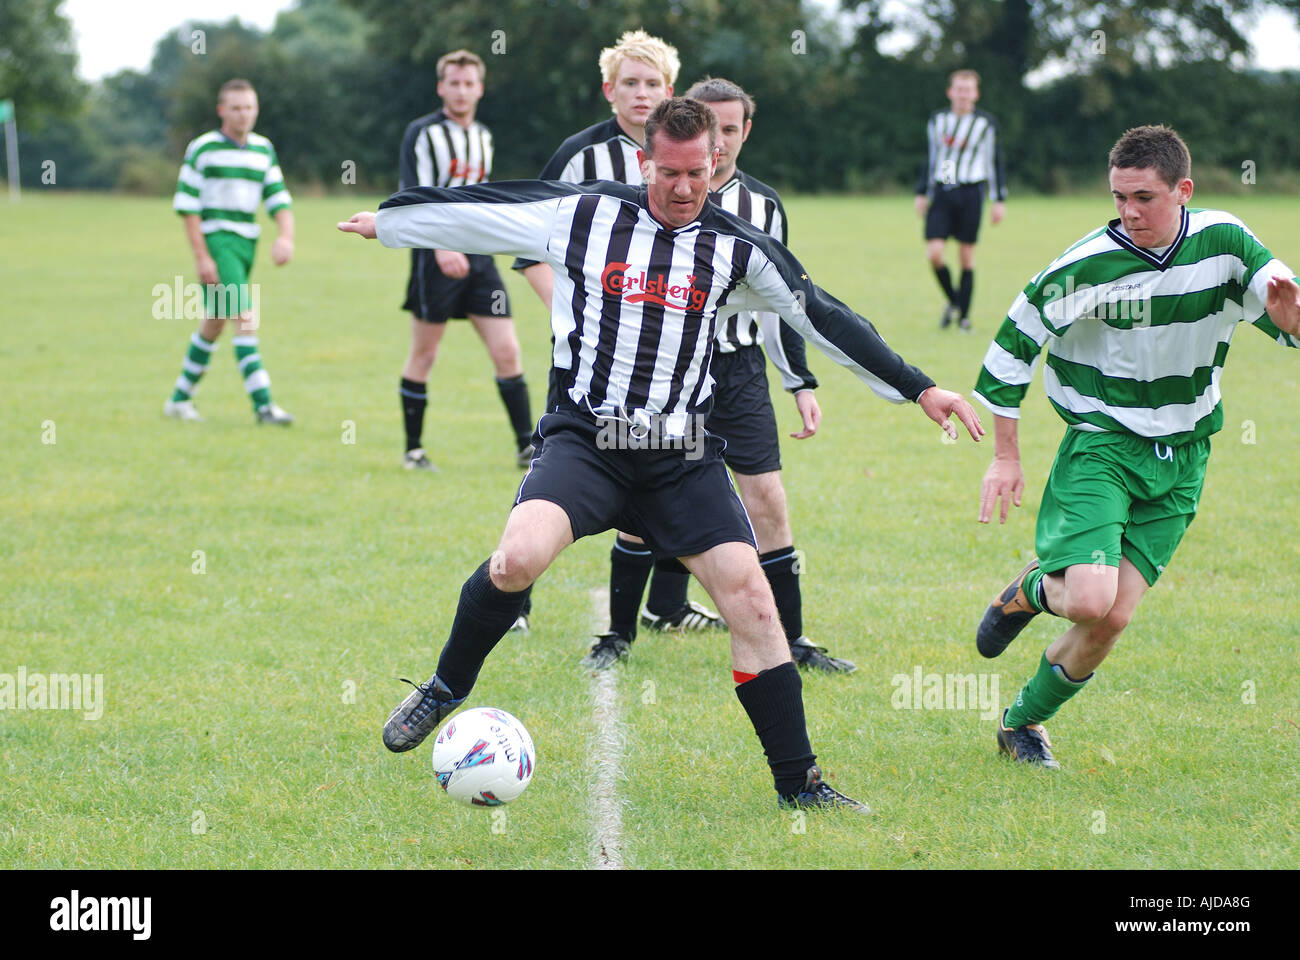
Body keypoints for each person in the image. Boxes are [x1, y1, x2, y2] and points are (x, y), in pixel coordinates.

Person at [340, 98, 984, 811]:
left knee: (753, 607)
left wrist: (920, 388)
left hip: (681, 457)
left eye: (697, 173)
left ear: (715, 162)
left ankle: (800, 786)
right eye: (669, 172)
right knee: (515, 560)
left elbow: (822, 314)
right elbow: (488, 207)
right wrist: (393, 223)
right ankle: (445, 688)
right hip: (587, 442)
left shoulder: (739, 245)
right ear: (645, 161)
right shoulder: (585, 215)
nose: (683, 188)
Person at [973, 124, 1300, 769]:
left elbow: (1281, 305)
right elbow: (1008, 354)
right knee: (1090, 598)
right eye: (1119, 196)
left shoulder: (1224, 244)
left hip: (1183, 459)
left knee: (1112, 619)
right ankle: (1038, 588)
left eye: (1144, 197)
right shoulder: (1083, 265)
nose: (1129, 211)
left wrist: (1293, 319)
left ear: (1184, 189)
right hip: (1103, 446)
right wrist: (1007, 457)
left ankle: (1022, 726)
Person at [580, 76, 854, 675]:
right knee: (644, 500)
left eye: (732, 129)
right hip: (668, 368)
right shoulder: (653, 195)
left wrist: (799, 381)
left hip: (738, 371)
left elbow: (787, 304)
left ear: (744, 132)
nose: (722, 141)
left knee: (768, 502)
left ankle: (795, 640)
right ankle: (619, 633)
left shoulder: (765, 206)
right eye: (713, 127)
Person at [512, 30, 731, 638]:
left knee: (676, 461)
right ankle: (515, 603)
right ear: (609, 90)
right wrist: (575, 310)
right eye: (629, 83)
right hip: (584, 361)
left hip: (667, 361)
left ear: (671, 91)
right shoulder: (580, 157)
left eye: (653, 83)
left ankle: (666, 604)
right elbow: (528, 249)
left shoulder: (686, 157)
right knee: (555, 476)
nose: (641, 94)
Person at [396, 50, 533, 471]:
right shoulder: (422, 133)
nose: (461, 90)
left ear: (480, 88)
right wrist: (441, 247)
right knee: (425, 353)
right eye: (453, 83)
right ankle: (414, 451)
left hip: (479, 259)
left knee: (507, 350)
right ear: (441, 88)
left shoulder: (484, 136)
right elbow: (412, 196)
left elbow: (485, 198)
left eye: (468, 83)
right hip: (434, 258)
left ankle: (526, 447)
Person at [165, 78, 295, 425]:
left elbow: (278, 197)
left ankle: (179, 400)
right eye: (236, 108)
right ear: (222, 110)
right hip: (217, 239)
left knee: (215, 323)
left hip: (245, 243)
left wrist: (285, 236)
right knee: (245, 317)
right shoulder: (203, 149)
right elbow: (188, 206)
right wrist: (201, 256)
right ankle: (264, 406)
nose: (244, 115)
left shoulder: (263, 149)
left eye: (250, 107)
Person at [914, 69, 1006, 331]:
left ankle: (964, 318)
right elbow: (931, 158)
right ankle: (955, 302)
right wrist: (922, 192)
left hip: (971, 193)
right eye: (959, 89)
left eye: (968, 89)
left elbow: (994, 161)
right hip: (943, 192)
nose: (963, 94)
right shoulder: (937, 120)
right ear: (950, 92)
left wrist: (998, 199)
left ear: (976, 94)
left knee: (966, 258)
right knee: (934, 254)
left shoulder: (985, 124)